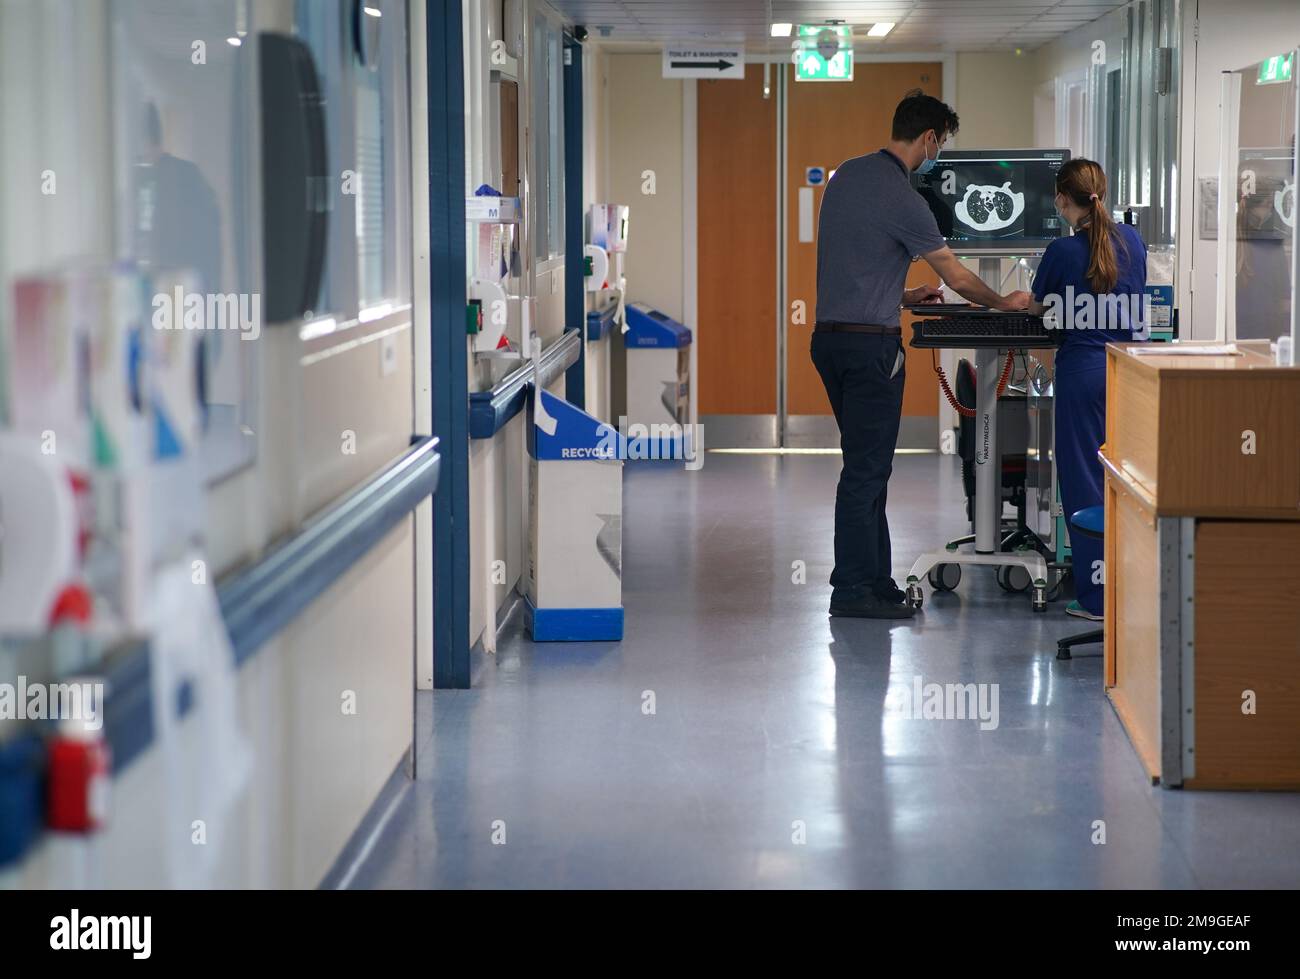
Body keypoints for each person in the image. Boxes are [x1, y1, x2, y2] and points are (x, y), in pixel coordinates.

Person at [813, 89, 1031, 619]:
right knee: (867, 471)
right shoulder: (903, 197)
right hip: (871, 349)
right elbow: (955, 275)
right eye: (941, 145)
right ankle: (851, 591)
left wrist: (903, 295)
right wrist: (1005, 303)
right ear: (930, 138)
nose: (937, 157)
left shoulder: (846, 176)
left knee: (869, 466)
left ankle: (876, 580)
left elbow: (854, 266)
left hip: (832, 341)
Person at [1026, 158, 1147, 621]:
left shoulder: (1061, 252)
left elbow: (1037, 308)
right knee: (1124, 482)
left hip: (1080, 377)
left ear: (1062, 199)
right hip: (1126, 374)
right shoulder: (1133, 241)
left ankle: (1097, 598)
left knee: (1082, 483)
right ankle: (1129, 590)